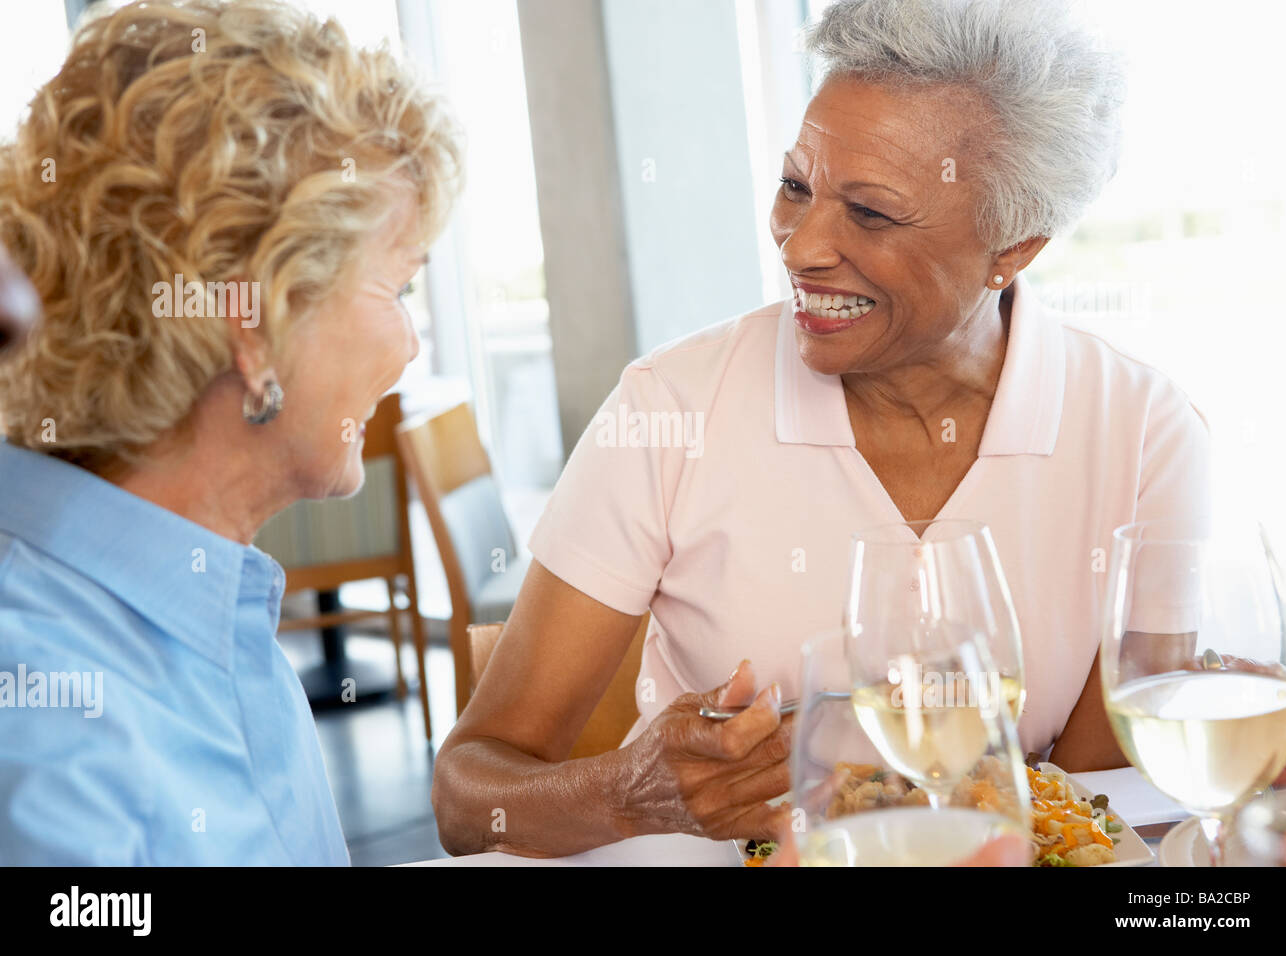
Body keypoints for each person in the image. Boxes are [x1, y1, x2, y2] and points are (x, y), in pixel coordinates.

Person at [433, 0, 1210, 858]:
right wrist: (632, 793)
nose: (800, 247)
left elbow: (1091, 808)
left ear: (1015, 245)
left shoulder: (1146, 432)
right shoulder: (669, 407)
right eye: (796, 188)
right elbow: (468, 795)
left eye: (871, 213)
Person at [0, 0, 462, 864]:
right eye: (394, 289)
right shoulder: (49, 721)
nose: (409, 342)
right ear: (249, 323)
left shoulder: (208, 604)